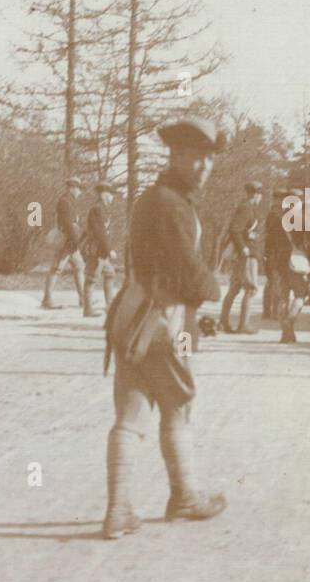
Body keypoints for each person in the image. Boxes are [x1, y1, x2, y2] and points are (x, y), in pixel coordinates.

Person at [101, 116, 227, 538]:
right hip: (164, 321)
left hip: (131, 316)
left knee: (130, 414)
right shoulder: (171, 203)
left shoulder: (153, 198)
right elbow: (186, 269)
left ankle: (118, 510)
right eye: (194, 158)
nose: (203, 168)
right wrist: (211, 288)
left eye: (208, 160)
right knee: (177, 407)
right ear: (175, 157)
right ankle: (186, 496)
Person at [220, 180, 264, 334]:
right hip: (246, 254)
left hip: (243, 253)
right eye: (260, 195)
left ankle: (223, 322)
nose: (260, 198)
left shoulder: (246, 208)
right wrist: (243, 248)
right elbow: (235, 230)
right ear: (256, 195)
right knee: (251, 289)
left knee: (234, 288)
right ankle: (243, 325)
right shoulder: (246, 209)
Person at [42, 177, 86, 311]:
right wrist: (75, 241)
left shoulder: (70, 201)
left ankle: (83, 299)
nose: (80, 192)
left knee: (79, 267)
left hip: (70, 241)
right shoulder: (65, 202)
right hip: (67, 241)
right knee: (57, 268)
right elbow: (67, 224)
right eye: (79, 189)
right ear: (72, 188)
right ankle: (47, 299)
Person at [276, 188, 310, 344]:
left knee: (283, 297)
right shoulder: (303, 219)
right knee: (300, 295)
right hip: (296, 261)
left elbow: (270, 242)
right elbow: (309, 243)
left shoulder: (277, 218)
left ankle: (285, 333)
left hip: (280, 261)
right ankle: (290, 322)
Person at [82, 181, 119, 317]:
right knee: (91, 278)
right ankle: (88, 309)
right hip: (97, 250)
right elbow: (100, 232)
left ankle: (110, 306)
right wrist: (109, 250)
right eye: (110, 194)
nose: (112, 197)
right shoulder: (98, 209)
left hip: (101, 251)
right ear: (104, 194)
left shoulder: (102, 208)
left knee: (110, 274)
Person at [262, 188, 290, 321]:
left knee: (272, 281)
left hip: (272, 251)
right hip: (276, 251)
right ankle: (272, 311)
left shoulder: (272, 213)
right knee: (275, 281)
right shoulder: (277, 214)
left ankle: (267, 311)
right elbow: (273, 236)